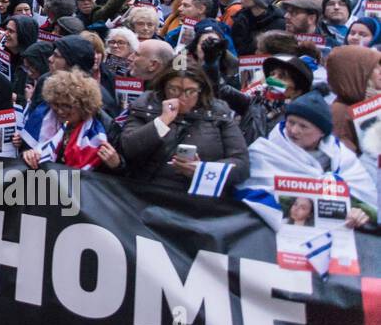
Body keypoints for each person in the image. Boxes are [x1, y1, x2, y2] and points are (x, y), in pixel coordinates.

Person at [239, 92, 377, 228]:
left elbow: (368, 202)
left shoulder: (342, 157)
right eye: (290, 122)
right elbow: (249, 193)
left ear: (322, 132)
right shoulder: (264, 152)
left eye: (303, 126)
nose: (294, 130)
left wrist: (359, 212)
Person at [117, 66, 248, 192]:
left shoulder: (218, 112)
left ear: (201, 90)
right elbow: (127, 149)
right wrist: (162, 121)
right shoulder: (144, 106)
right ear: (164, 88)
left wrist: (201, 170)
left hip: (200, 202)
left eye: (191, 91)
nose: (182, 97)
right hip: (149, 196)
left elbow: (241, 164)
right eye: (174, 89)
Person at [20, 70, 121, 172]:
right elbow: (25, 149)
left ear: (84, 106)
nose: (59, 111)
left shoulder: (105, 128)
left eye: (66, 106)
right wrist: (27, 154)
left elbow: (125, 177)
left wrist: (117, 164)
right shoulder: (43, 116)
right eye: (55, 104)